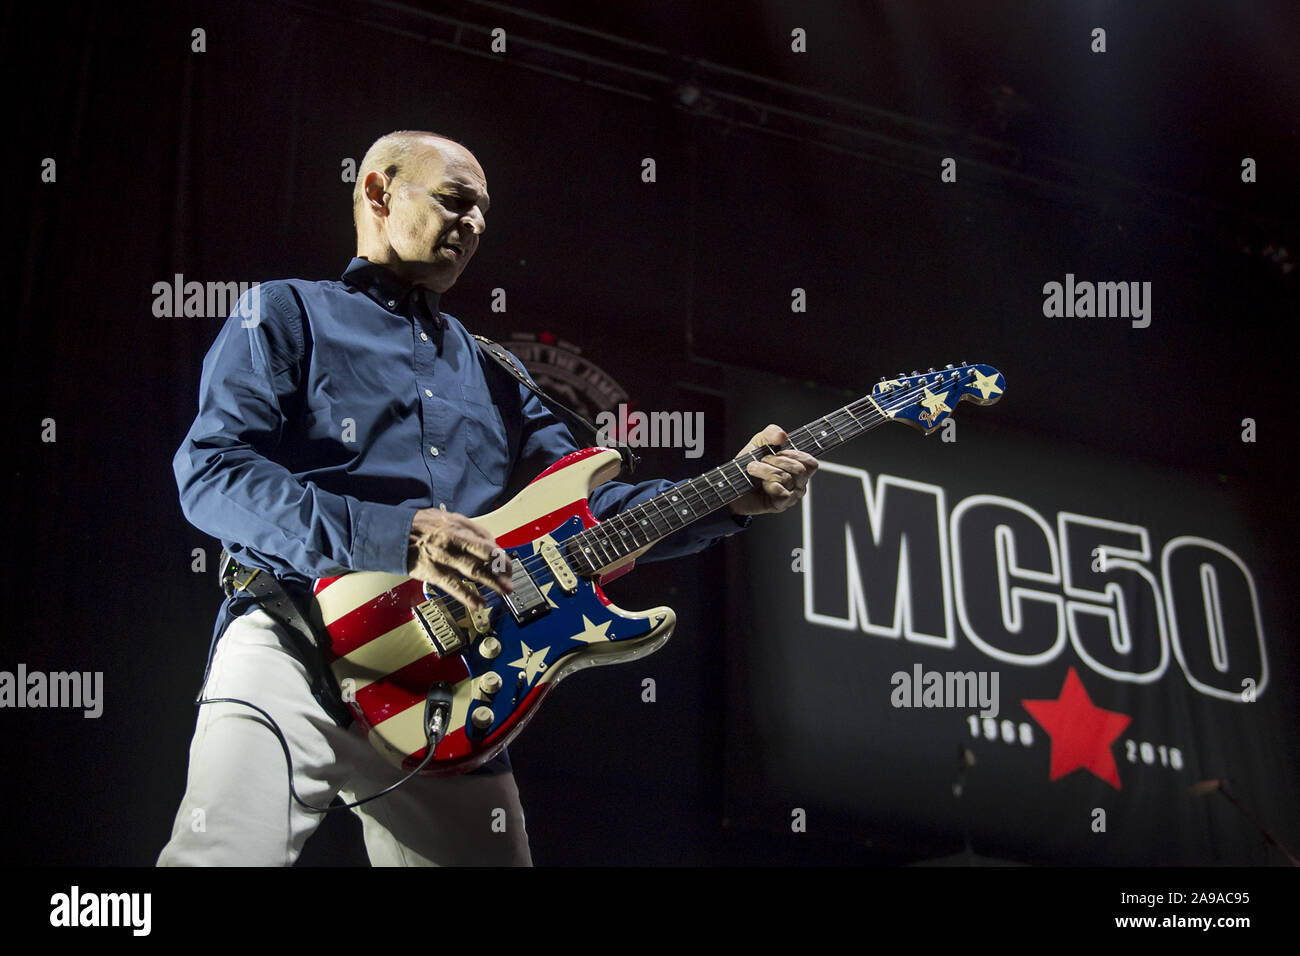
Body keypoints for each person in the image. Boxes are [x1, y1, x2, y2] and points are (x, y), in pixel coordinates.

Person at [156, 130, 817, 866]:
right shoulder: (284, 313)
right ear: (377, 191)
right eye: (454, 201)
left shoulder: (493, 371)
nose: (472, 225)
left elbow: (587, 521)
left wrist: (730, 496)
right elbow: (212, 472)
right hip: (293, 639)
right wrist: (394, 535)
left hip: (456, 682)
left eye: (482, 213)